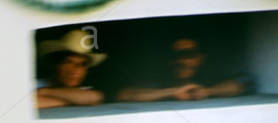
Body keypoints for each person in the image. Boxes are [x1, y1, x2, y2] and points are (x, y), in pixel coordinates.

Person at [118, 37, 248, 103]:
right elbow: (125, 94)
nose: (182, 61)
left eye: (189, 55)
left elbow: (240, 84)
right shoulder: (161, 78)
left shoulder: (210, 76)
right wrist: (173, 92)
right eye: (176, 56)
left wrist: (207, 91)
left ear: (200, 58)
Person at [36, 29, 106, 110]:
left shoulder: (83, 90)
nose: (75, 70)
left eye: (82, 64)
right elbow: (29, 103)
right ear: (56, 64)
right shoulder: (35, 84)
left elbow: (95, 97)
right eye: (68, 62)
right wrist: (77, 101)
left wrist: (43, 92)